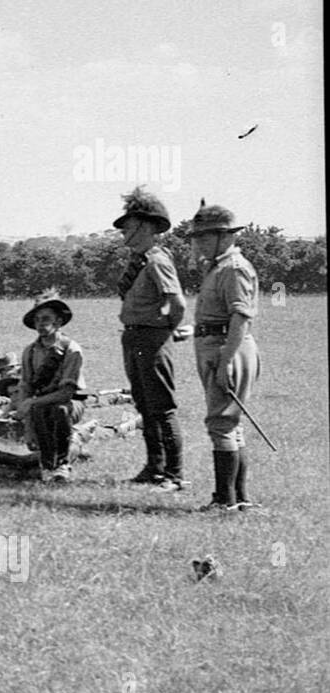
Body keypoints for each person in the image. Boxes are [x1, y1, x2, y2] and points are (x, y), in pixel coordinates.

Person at [187, 202, 261, 511]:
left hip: (226, 347)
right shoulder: (218, 266)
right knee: (229, 423)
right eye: (198, 236)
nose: (199, 242)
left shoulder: (233, 268)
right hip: (216, 344)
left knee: (220, 424)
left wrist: (226, 360)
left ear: (226, 236)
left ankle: (224, 501)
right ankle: (238, 499)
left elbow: (241, 318)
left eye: (206, 236)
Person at [114, 187, 188, 491]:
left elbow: (177, 303)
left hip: (152, 339)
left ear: (145, 227)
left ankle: (174, 474)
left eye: (128, 228)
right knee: (145, 406)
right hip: (134, 339)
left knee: (162, 407)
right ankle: (154, 467)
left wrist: (164, 329)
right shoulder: (139, 261)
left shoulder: (157, 261)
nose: (123, 234)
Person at [12, 293, 87, 484]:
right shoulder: (30, 351)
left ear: (59, 322)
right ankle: (47, 465)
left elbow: (66, 393)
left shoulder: (71, 349)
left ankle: (62, 464)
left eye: (46, 319)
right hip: (40, 404)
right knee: (40, 410)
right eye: (37, 320)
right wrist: (28, 428)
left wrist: (32, 402)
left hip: (70, 403)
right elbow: (26, 387)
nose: (40, 324)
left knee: (58, 410)